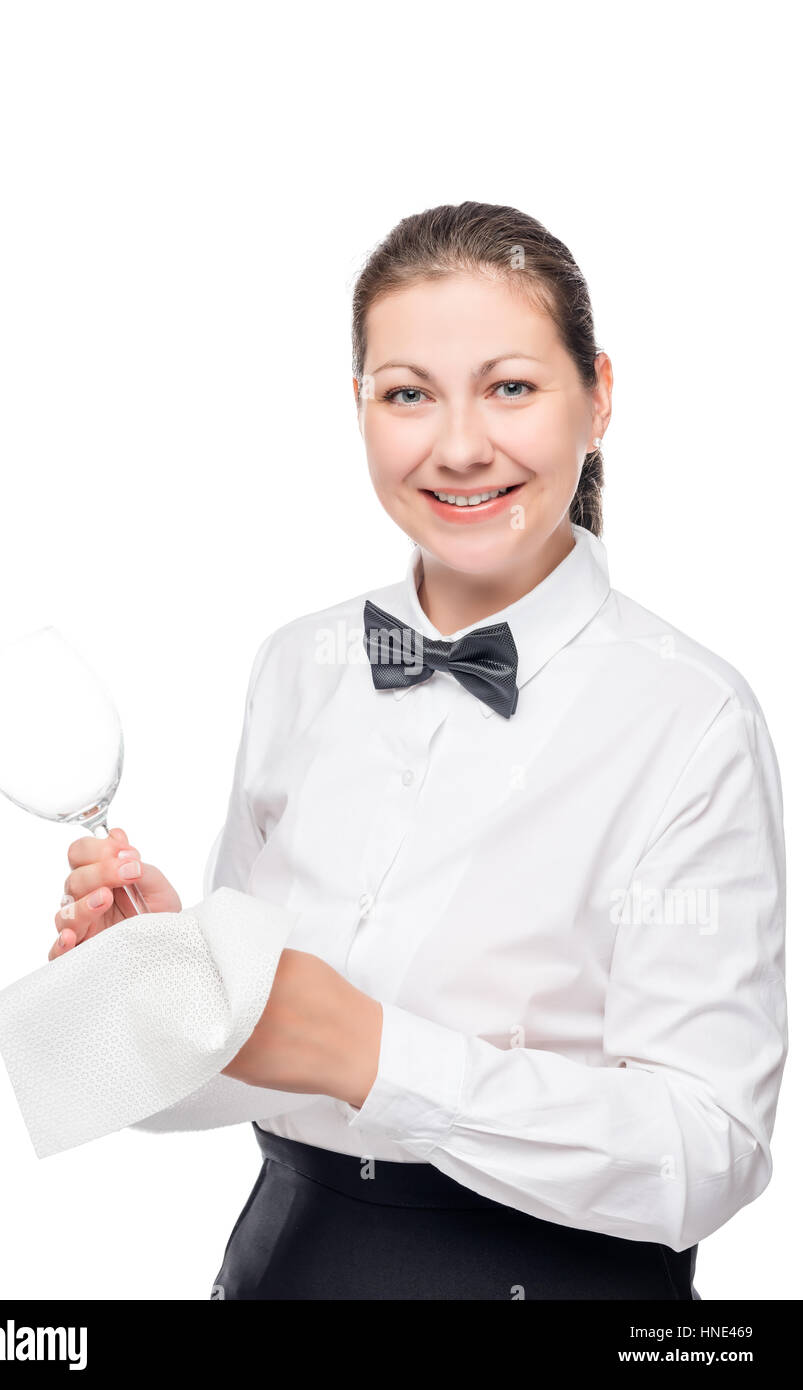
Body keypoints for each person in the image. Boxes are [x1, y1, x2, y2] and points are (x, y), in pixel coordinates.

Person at [49, 201, 787, 1300]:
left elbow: (709, 1149)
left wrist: (375, 1054)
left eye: (511, 387)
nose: (457, 446)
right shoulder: (298, 664)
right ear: (359, 409)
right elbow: (240, 1075)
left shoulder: (691, 718)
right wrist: (158, 993)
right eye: (408, 394)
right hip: (277, 1269)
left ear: (602, 396)